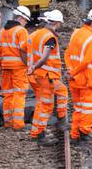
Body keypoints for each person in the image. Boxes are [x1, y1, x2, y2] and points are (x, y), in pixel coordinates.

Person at [64, 7, 92, 141]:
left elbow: (67, 54)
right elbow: (87, 61)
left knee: (78, 108)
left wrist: (71, 71)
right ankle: (84, 133)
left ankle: (75, 134)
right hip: (87, 80)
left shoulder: (76, 33)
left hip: (75, 79)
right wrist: (74, 72)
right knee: (88, 108)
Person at [27, 9, 68, 140]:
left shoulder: (38, 34)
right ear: (56, 22)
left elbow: (24, 48)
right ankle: (41, 133)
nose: (60, 26)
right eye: (59, 23)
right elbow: (44, 57)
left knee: (44, 102)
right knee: (47, 104)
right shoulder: (50, 38)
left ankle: (39, 131)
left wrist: (31, 67)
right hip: (46, 75)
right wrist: (34, 66)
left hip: (40, 75)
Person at [0, 5, 31, 132]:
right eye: (26, 20)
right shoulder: (21, 31)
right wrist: (29, 64)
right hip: (18, 68)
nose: (26, 23)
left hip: (5, 67)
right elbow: (24, 50)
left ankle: (8, 121)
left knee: (7, 94)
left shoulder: (3, 30)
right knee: (19, 94)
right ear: (21, 18)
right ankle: (18, 123)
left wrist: (1, 66)